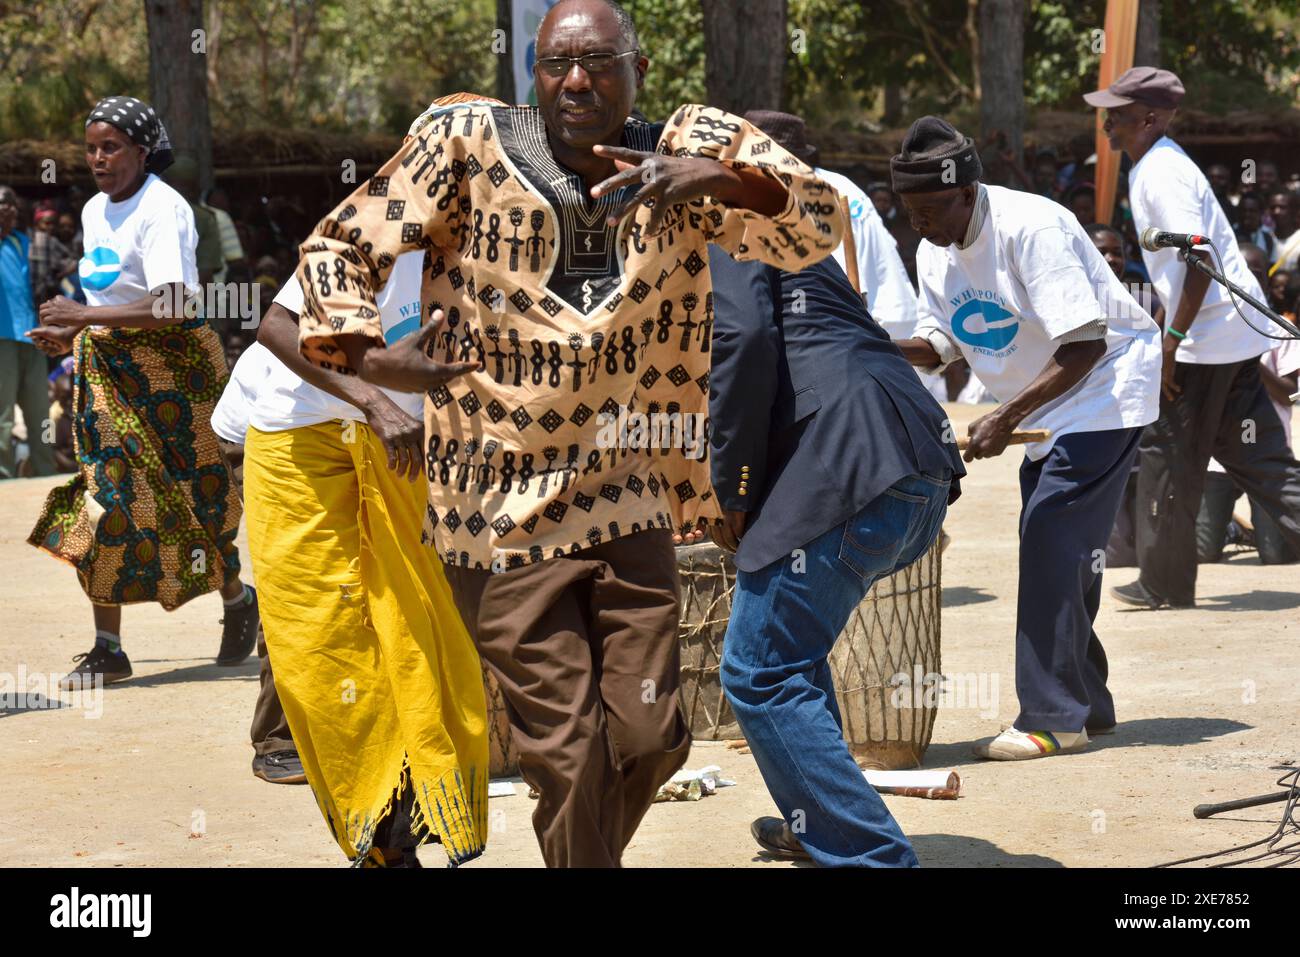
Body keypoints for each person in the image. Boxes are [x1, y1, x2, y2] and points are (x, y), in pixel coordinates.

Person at [294, 0, 842, 866]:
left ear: (640, 66)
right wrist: (371, 358)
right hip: (497, 505)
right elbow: (336, 248)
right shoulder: (466, 143)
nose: (575, 81)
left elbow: (819, 222)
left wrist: (724, 183)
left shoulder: (694, 140)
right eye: (555, 64)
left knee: (657, 736)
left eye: (597, 61)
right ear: (533, 70)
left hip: (631, 495)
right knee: (567, 751)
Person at [889, 115, 1161, 760]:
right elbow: (941, 344)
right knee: (1063, 554)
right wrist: (870, 344)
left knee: (1048, 543)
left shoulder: (1030, 228)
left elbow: (1087, 343)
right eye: (910, 211)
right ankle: (1089, 703)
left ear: (967, 192)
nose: (919, 226)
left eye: (930, 210)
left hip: (1102, 391)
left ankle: (1053, 717)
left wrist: (1003, 416)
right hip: (1044, 404)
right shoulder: (934, 250)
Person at [707, 244, 963, 865]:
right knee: (793, 654)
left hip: (852, 461)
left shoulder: (719, 215)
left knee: (760, 671)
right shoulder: (780, 219)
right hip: (913, 465)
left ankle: (871, 855)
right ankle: (816, 821)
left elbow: (740, 336)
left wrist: (732, 484)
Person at [24, 95, 260, 688]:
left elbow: (176, 301)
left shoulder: (164, 209)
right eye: (91, 148)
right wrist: (69, 332)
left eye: (111, 147)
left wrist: (83, 317)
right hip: (109, 371)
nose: (98, 159)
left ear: (142, 151)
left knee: (192, 500)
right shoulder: (94, 211)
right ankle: (109, 645)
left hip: (173, 374)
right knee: (101, 494)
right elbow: (104, 304)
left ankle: (237, 598)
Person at [1087, 67, 1300, 609]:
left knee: (1167, 453)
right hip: (1232, 334)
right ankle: (1166, 581)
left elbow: (1198, 254)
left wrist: (1170, 341)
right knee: (1260, 459)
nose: (1107, 122)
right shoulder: (1162, 164)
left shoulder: (1160, 173)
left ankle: (1164, 583)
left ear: (1150, 118)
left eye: (1118, 113)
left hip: (1204, 340)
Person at [207, 349, 307, 788]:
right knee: (296, 582)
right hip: (272, 432)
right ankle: (277, 740)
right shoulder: (343, 286)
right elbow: (273, 328)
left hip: (342, 428)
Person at [1195, 242, 1300, 565]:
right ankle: (1231, 528)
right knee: (1203, 553)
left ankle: (1254, 528)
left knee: (1276, 557)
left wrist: (1251, 361)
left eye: (1254, 272)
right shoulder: (1207, 327)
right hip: (1218, 461)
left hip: (1264, 454)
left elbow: (1288, 394)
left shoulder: (1280, 329)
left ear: (1265, 282)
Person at [0, 185, 56, 478]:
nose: (7, 209)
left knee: (40, 412)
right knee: (3, 417)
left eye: (11, 204)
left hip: (31, 337)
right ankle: (4, 478)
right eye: (1, 204)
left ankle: (46, 473)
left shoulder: (23, 242)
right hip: (1, 341)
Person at [1235, 193, 1276, 264]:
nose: (1247, 214)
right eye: (1244, 210)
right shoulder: (1231, 235)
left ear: (1261, 212)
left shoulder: (1268, 238)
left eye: (1252, 211)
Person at [1269, 191, 1300, 274]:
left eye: (1282, 207)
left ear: (1293, 210)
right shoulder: (1264, 237)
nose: (1277, 211)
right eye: (1273, 207)